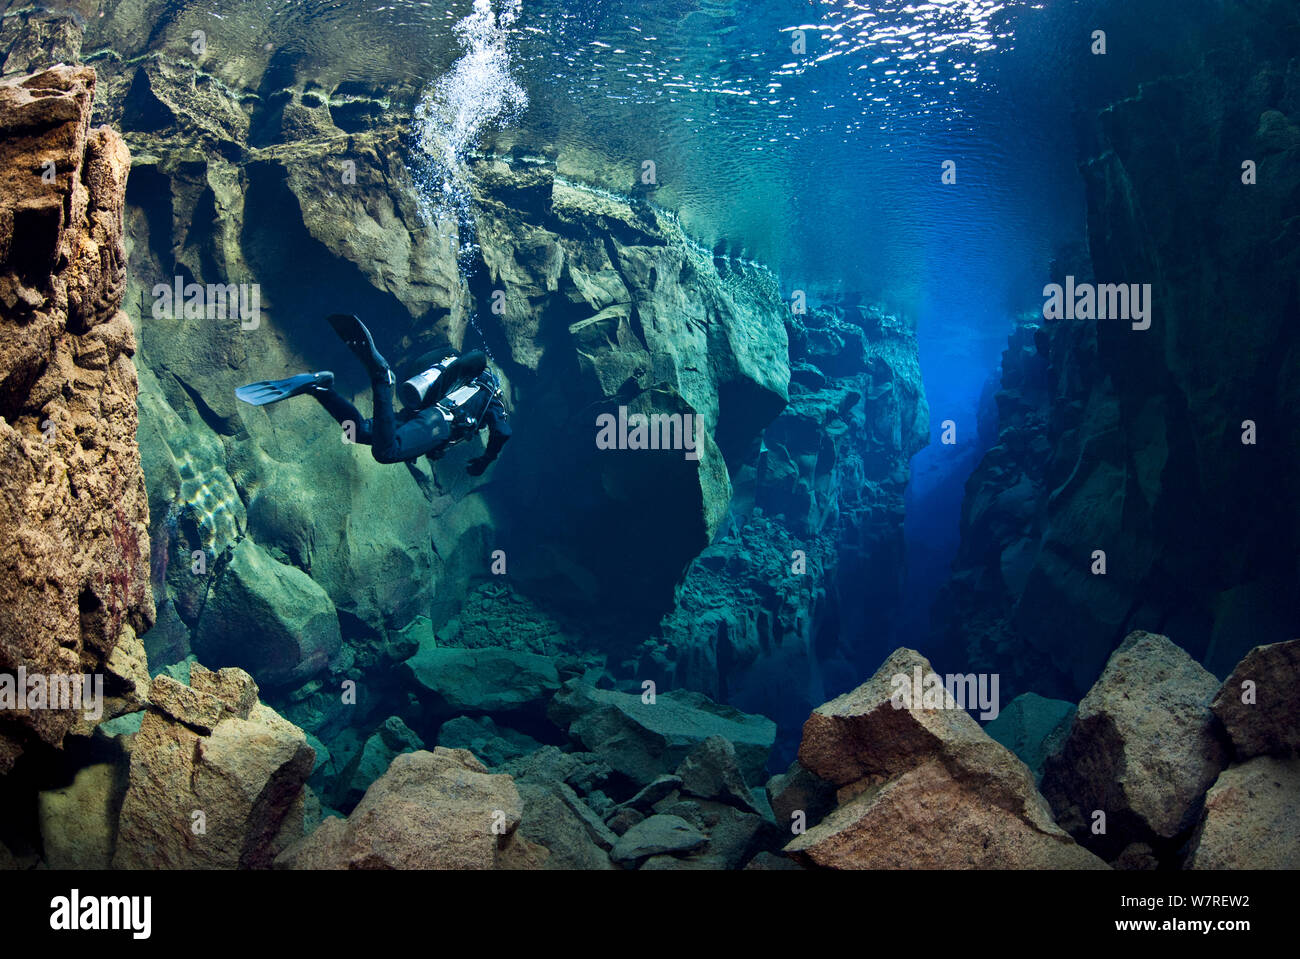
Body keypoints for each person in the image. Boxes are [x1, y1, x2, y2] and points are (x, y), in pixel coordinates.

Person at [235, 313, 510, 476]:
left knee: (356, 432)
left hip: (419, 415)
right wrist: (488, 459)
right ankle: (381, 376)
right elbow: (503, 431)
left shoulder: (465, 375)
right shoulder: (492, 396)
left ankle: (319, 389)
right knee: (387, 452)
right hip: (439, 423)